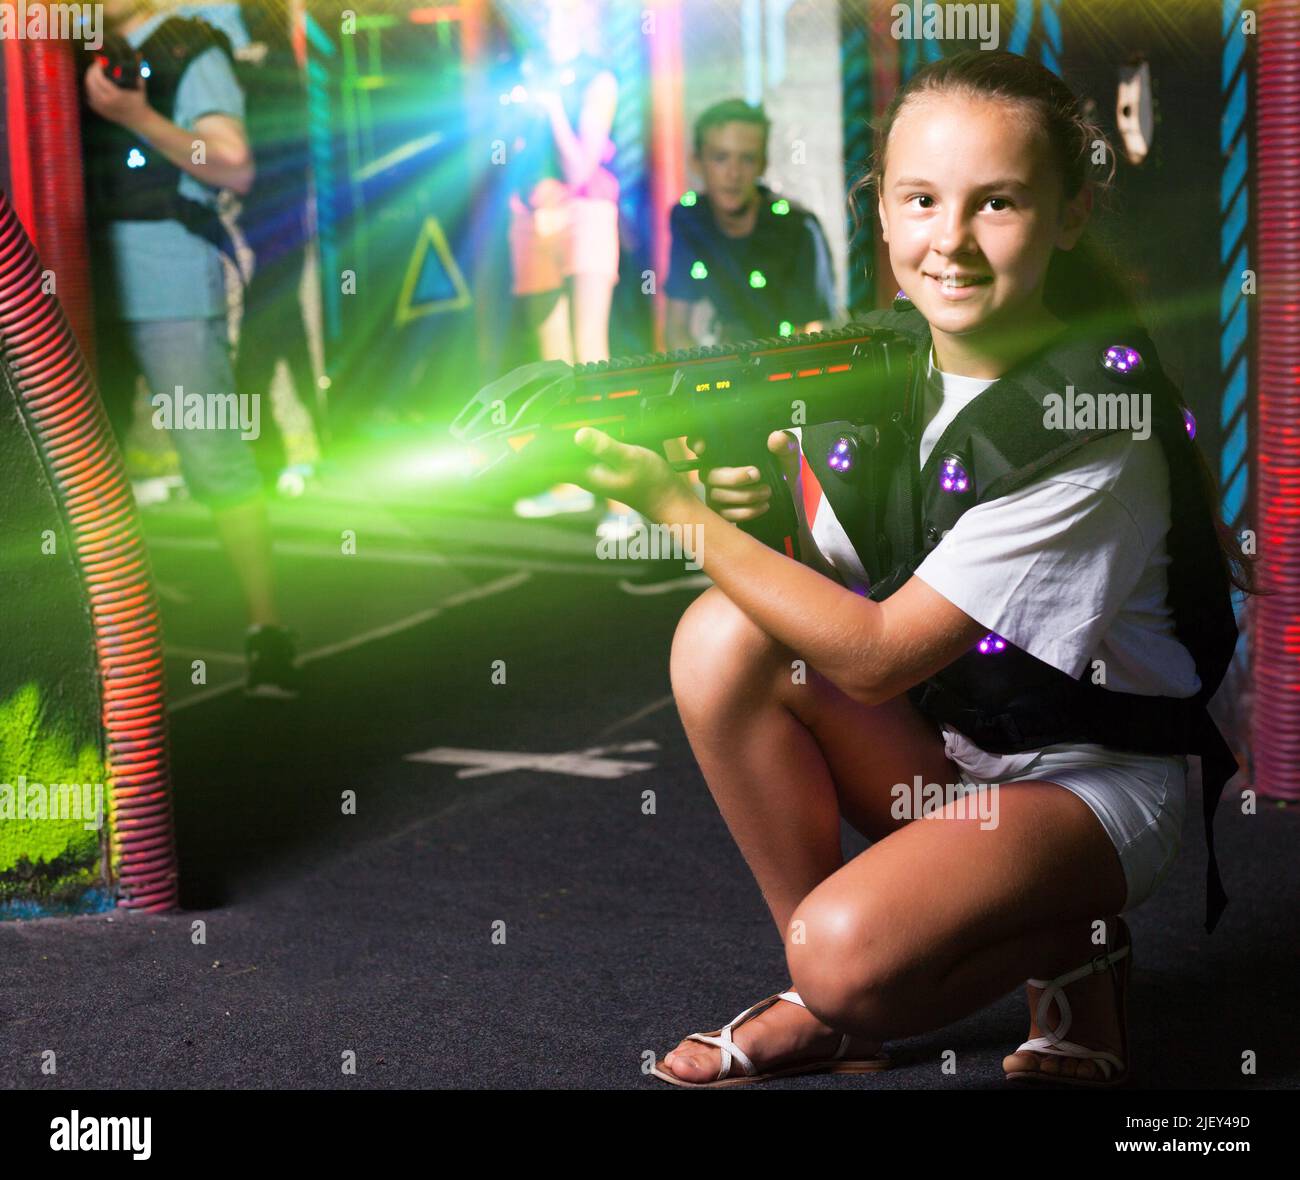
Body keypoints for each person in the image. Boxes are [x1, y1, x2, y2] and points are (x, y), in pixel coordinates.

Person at [567, 50, 1259, 1087]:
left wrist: (673, 510)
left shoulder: (1090, 430)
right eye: (921, 199)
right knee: (721, 638)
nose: (949, 241)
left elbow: (874, 654)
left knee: (845, 954)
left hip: (1091, 778)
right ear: (879, 212)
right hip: (961, 741)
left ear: (1069, 216)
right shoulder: (886, 363)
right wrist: (762, 507)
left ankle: (1073, 945)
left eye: (999, 203)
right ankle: (835, 1014)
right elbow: (840, 579)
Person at [81, 0, 300, 697]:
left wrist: (137, 118)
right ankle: (101, 654)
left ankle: (267, 630)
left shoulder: (190, 48)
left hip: (168, 282)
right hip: (77, 285)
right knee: (82, 478)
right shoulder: (62, 48)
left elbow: (232, 165)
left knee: (214, 461)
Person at [505, 0, 638, 542]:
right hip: (534, 216)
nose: (549, 20)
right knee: (551, 362)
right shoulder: (523, 71)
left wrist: (551, 106)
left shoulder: (598, 79)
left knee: (590, 354)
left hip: (585, 213)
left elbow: (583, 166)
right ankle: (571, 483)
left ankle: (622, 496)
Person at [663, 98, 837, 350]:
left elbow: (808, 338)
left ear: (762, 165)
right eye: (720, 157)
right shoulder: (689, 220)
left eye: (746, 159)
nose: (733, 174)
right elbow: (676, 327)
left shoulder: (797, 228)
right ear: (697, 162)